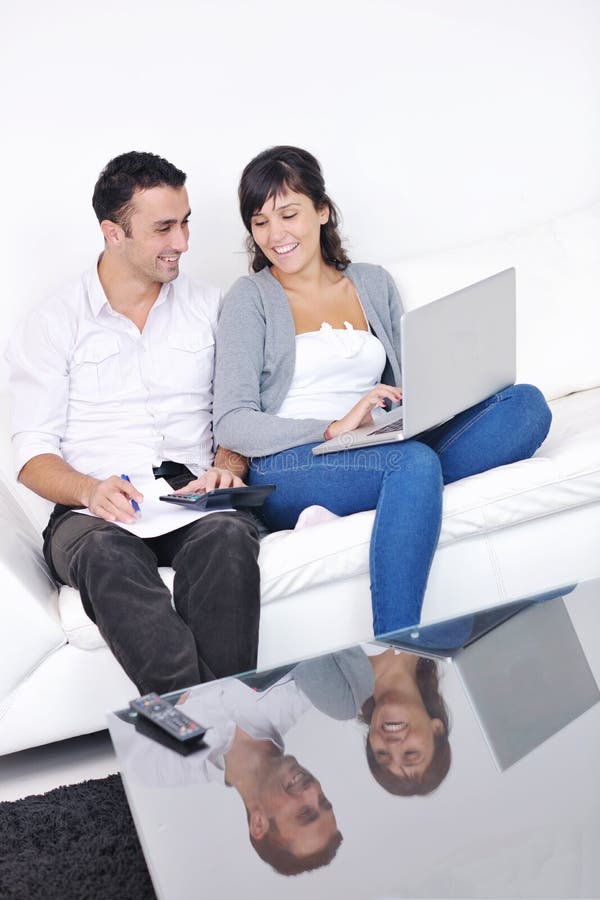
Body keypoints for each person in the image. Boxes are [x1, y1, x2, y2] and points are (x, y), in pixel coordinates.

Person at [213, 144, 552, 635]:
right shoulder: (250, 299)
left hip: (378, 442)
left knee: (525, 406)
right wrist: (333, 426)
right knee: (413, 464)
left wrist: (420, 400)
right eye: (260, 221)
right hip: (293, 459)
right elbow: (233, 420)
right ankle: (398, 643)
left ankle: (390, 494)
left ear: (322, 210)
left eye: (289, 213)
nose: (275, 234)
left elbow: (400, 381)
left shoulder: (372, 282)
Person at [6, 151, 261, 695]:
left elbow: (237, 413)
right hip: (92, 513)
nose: (184, 242)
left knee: (229, 537)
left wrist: (226, 465)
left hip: (191, 498)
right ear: (112, 233)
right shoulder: (53, 324)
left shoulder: (211, 308)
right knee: (105, 555)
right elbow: (30, 453)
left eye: (186, 221)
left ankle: (198, 740)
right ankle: (226, 732)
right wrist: (89, 489)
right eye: (164, 227)